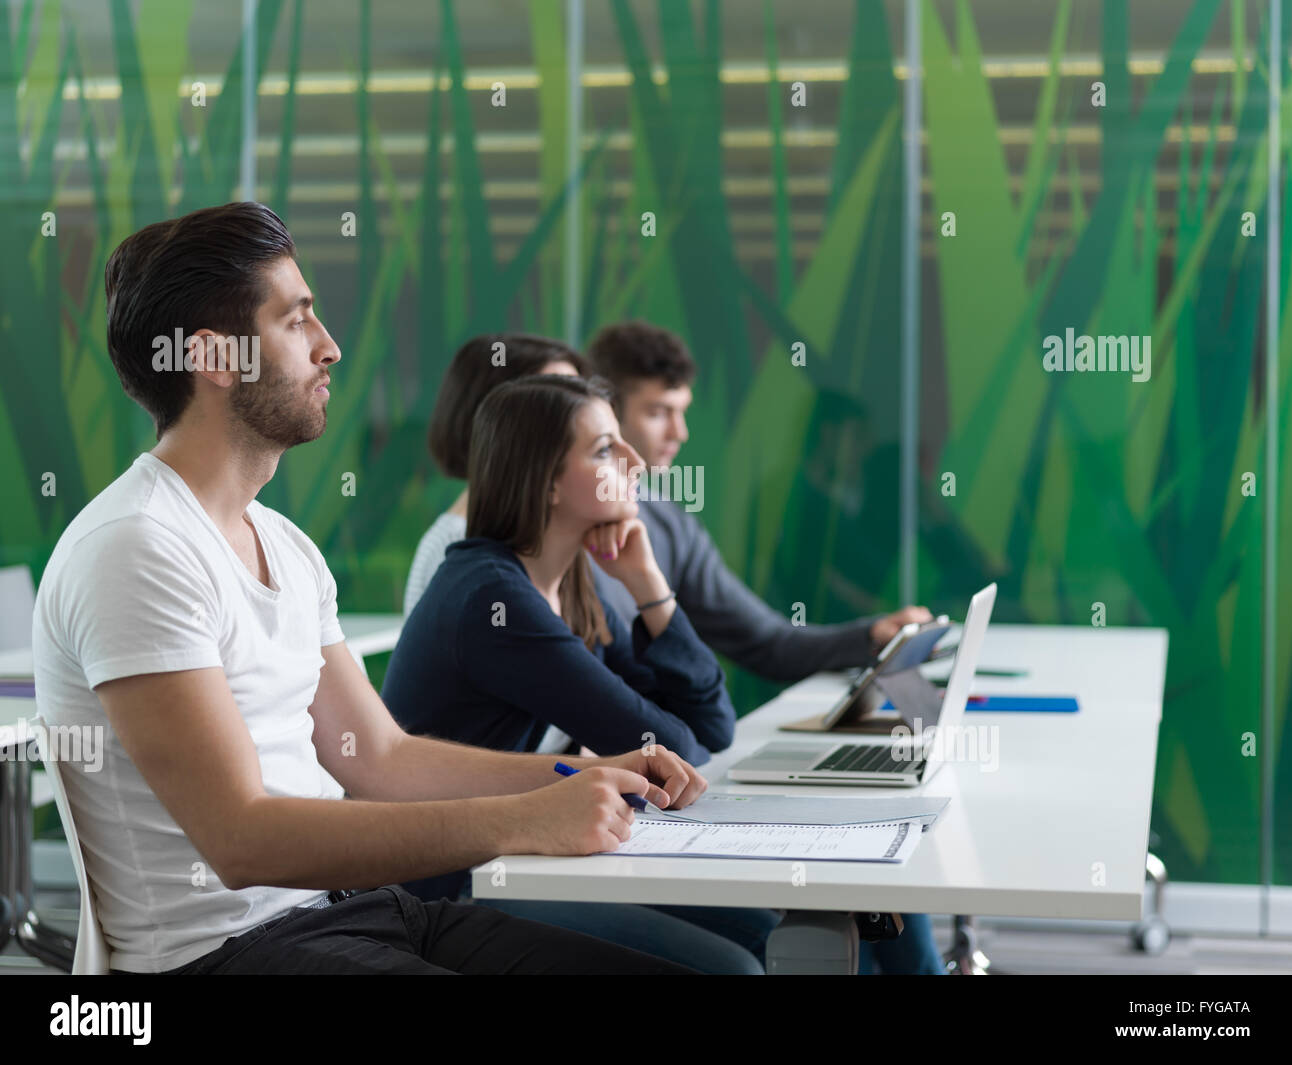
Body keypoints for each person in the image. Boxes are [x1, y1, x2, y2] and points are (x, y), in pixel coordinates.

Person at [30, 201, 704, 975]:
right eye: (296, 322)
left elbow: (380, 757)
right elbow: (242, 839)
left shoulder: (283, 543)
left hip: (352, 911)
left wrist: (588, 770)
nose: (331, 348)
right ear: (216, 360)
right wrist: (526, 818)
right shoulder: (136, 547)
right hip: (231, 954)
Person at [587, 320, 947, 976]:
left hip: (682, 771)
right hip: (638, 793)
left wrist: (868, 635)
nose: (678, 433)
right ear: (602, 413)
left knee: (886, 878)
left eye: (683, 412)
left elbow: (764, 640)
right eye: (658, 411)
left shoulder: (666, 522)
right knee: (831, 921)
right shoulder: (566, 540)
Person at [383, 374, 777, 973]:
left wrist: (648, 587)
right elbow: (673, 750)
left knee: (766, 926)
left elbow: (712, 726)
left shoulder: (570, 583)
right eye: (603, 450)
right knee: (735, 967)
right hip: (454, 882)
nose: (635, 461)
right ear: (545, 482)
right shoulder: (493, 599)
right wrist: (667, 745)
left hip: (523, 851)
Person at [404, 334, 588, 619]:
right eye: (555, 407)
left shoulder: (543, 537)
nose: (580, 423)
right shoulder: (457, 547)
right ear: (495, 421)